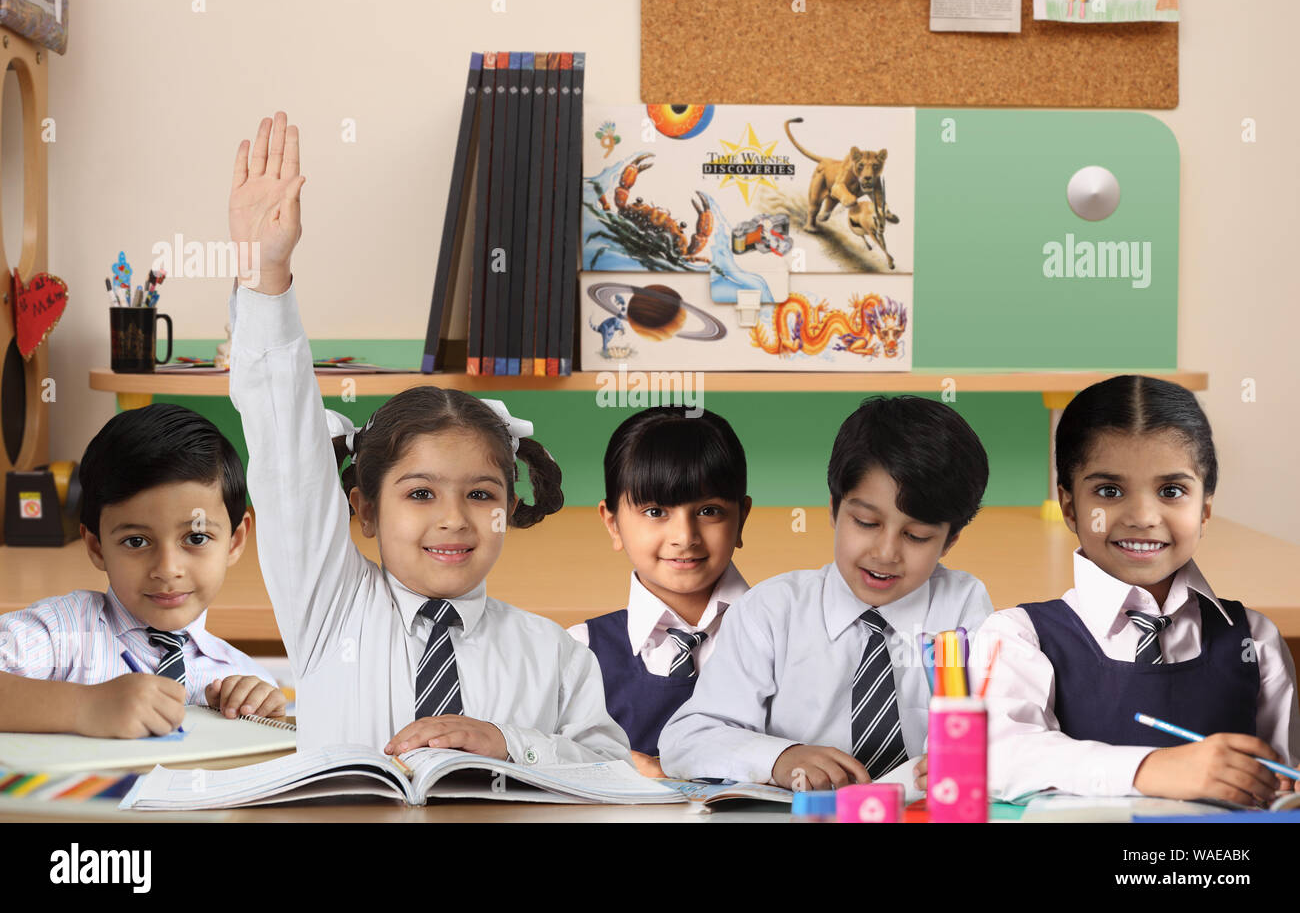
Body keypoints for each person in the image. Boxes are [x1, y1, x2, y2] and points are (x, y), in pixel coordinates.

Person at [227, 111, 630, 765]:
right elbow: (286, 457)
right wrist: (262, 273)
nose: (453, 519)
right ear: (363, 507)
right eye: (419, 494)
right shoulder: (330, 607)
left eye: (479, 493)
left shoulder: (553, 654)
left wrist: (509, 745)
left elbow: (612, 778)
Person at [979, 375, 1300, 805]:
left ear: (1205, 508)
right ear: (1070, 505)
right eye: (1109, 491)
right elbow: (997, 757)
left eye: (1172, 491)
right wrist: (1149, 768)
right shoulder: (1018, 637)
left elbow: (1282, 787)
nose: (1143, 517)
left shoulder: (1255, 641)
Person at [659, 395, 993, 789]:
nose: (885, 553)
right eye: (866, 522)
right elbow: (687, 740)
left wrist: (975, 753)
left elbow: (1003, 724)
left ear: (950, 540)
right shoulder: (771, 611)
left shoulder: (964, 607)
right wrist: (778, 758)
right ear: (834, 509)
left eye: (916, 536)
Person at [0, 404, 284, 737]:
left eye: (195, 537)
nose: (167, 569)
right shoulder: (61, 634)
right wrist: (84, 706)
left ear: (235, 541)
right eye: (136, 541)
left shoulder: (245, 680)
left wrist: (271, 721)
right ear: (96, 547)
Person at [569, 406, 752, 776]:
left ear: (742, 518)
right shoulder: (578, 652)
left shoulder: (787, 636)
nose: (684, 537)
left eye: (709, 511)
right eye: (655, 512)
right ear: (613, 523)